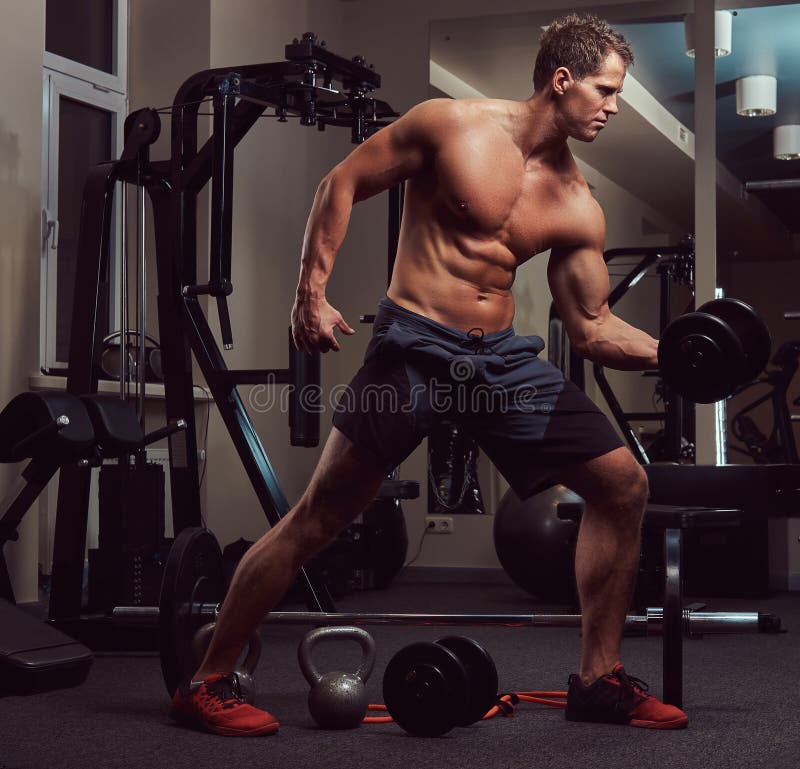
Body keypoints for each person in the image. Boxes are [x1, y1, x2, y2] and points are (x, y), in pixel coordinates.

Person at [170, 13, 689, 736]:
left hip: (501, 361)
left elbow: (592, 326)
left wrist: (679, 354)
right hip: (416, 345)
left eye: (618, 95)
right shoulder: (450, 126)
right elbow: (340, 182)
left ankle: (598, 678)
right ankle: (209, 679)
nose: (612, 106)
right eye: (604, 90)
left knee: (623, 481)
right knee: (323, 514)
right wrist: (310, 293)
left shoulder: (578, 203)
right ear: (561, 79)